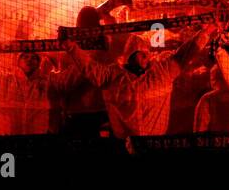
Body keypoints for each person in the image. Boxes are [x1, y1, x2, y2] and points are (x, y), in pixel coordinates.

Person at [65, 26, 211, 138]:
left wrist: (206, 32)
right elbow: (89, 67)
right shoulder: (112, 76)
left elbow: (185, 54)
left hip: (155, 144)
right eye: (140, 54)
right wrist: (71, 47)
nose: (145, 57)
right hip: (124, 145)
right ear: (129, 56)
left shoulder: (161, 73)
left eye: (146, 54)